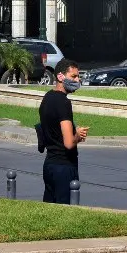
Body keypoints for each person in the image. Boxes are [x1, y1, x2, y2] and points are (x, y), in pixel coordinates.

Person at [39, 59, 86, 203]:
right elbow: (69, 143)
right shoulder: (63, 103)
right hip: (64, 166)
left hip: (49, 165)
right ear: (60, 77)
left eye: (78, 77)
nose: (77, 80)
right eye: (73, 76)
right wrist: (78, 135)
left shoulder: (47, 98)